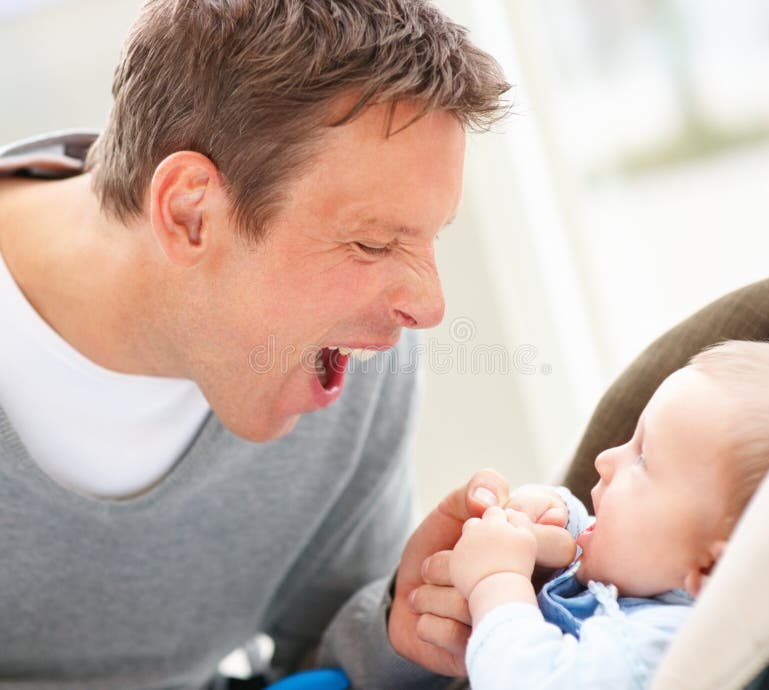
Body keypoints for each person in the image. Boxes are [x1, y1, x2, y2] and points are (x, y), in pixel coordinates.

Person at [0, 1, 581, 688]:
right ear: (190, 213)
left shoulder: (350, 363)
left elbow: (315, 664)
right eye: (372, 243)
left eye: (429, 236)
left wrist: (402, 620)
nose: (427, 307)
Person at [440, 340, 769, 689]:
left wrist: (496, 582)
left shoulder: (658, 647)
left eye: (643, 459)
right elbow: (618, 557)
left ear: (710, 570)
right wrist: (560, 518)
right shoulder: (646, 577)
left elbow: (533, 681)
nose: (605, 460)